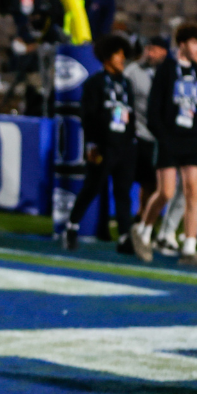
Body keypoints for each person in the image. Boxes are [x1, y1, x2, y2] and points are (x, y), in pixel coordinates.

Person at [134, 24, 197, 265]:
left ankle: (189, 248)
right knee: (166, 192)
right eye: (195, 43)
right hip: (169, 138)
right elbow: (153, 108)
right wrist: (163, 135)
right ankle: (143, 231)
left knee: (193, 192)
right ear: (182, 44)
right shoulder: (166, 69)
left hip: (193, 140)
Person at [64, 35, 137, 250]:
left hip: (124, 145)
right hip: (104, 145)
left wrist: (132, 142)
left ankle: (124, 236)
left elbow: (130, 114)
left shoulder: (127, 83)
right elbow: (87, 116)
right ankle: (72, 226)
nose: (122, 58)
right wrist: (91, 145)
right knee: (92, 188)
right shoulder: (95, 83)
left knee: (123, 193)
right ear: (107, 57)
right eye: (117, 53)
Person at [119, 35, 168, 252]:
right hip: (138, 133)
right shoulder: (132, 71)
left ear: (164, 52)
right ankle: (130, 223)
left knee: (153, 184)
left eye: (154, 48)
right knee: (130, 179)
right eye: (148, 48)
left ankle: (141, 219)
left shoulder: (170, 73)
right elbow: (121, 100)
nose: (150, 52)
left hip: (159, 136)